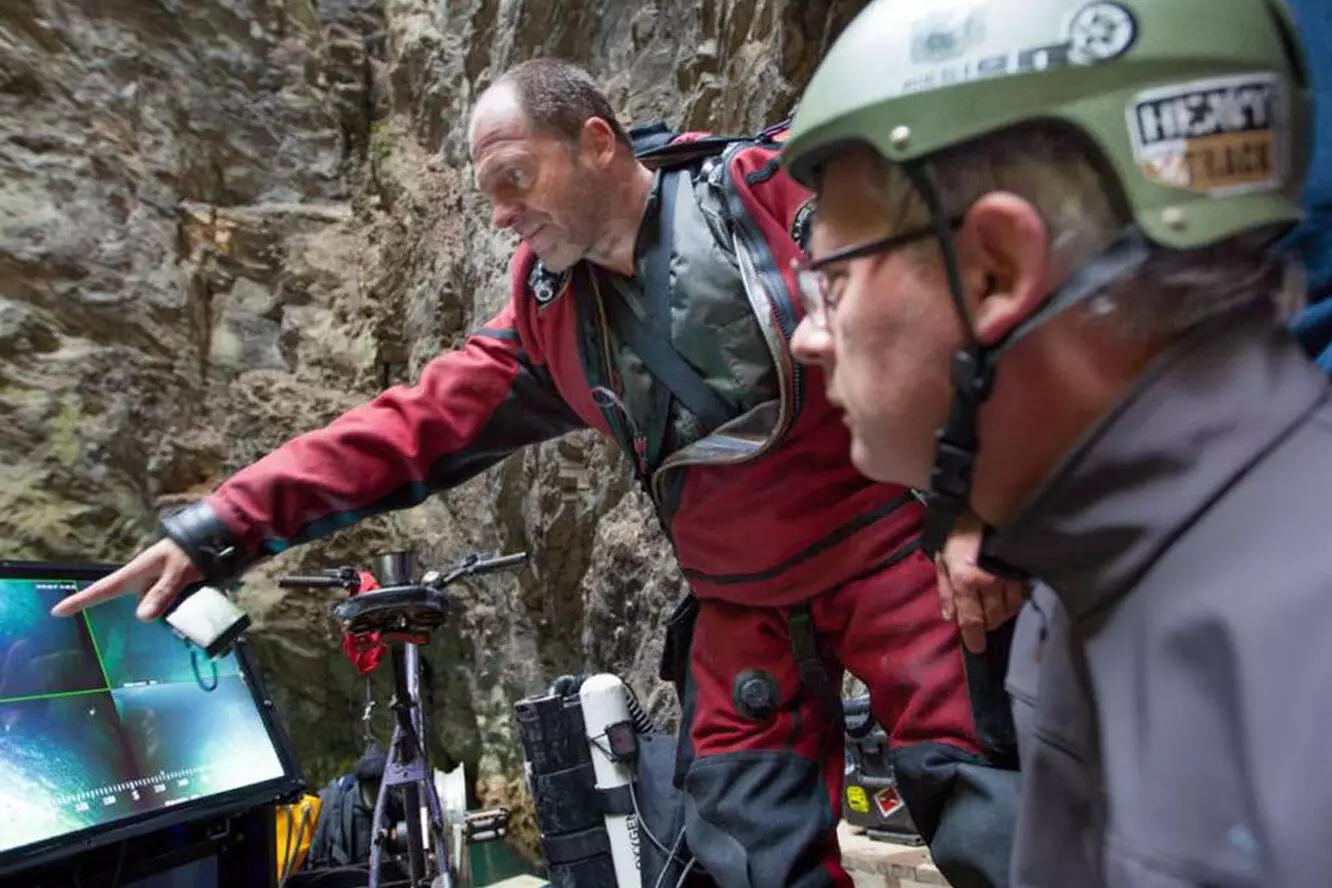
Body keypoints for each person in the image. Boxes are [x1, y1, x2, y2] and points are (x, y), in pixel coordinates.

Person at [52, 59, 1022, 886]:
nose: (503, 216)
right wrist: (222, 525)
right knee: (745, 852)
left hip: (894, 552)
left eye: (515, 179)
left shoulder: (771, 188)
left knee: (1001, 808)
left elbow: (982, 284)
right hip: (741, 606)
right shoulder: (551, 321)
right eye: (490, 196)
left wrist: (988, 495)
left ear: (596, 142)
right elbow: (407, 431)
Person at [781, 0, 1332, 885]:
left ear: (994, 266)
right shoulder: (1100, 579)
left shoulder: (1280, 677)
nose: (811, 337)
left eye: (833, 281)